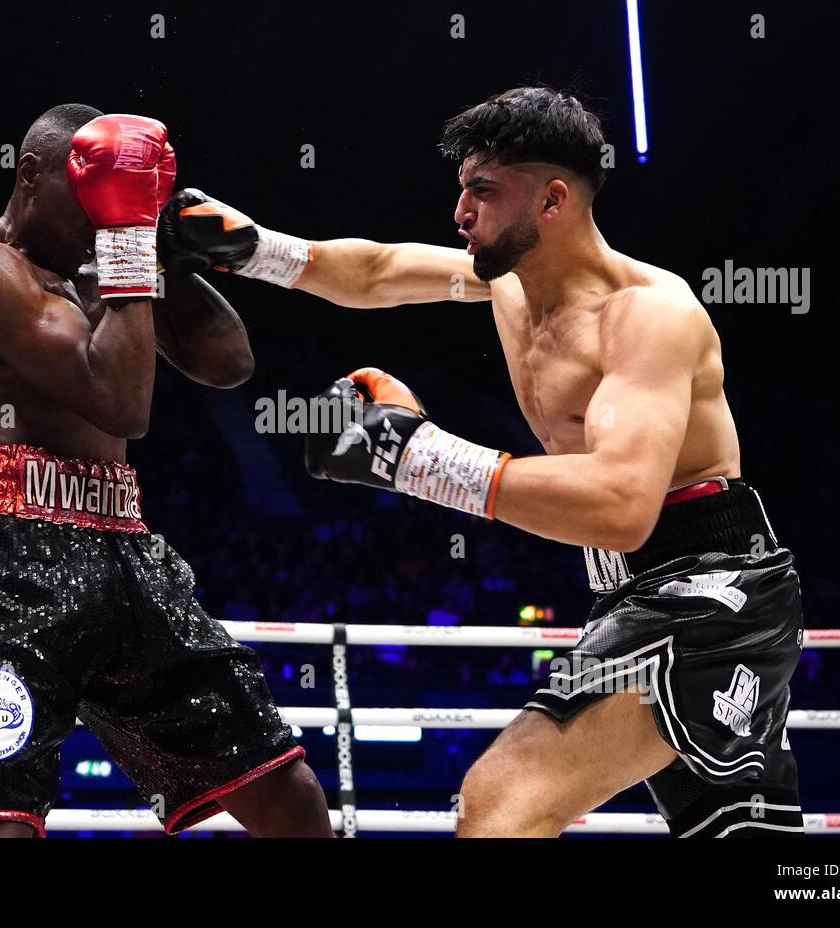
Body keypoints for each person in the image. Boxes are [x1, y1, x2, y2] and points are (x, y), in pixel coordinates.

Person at [157, 86, 804, 838]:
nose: (461, 212)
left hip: (708, 594)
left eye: (483, 192)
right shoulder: (509, 284)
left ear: (553, 200)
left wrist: (416, 460)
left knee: (499, 803)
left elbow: (624, 507)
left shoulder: (649, 315)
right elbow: (377, 272)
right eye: (462, 189)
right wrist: (256, 247)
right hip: (635, 593)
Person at [0, 104, 332, 838]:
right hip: (8, 546)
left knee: (282, 788)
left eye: (112, 199)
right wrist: (130, 246)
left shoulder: (106, 266)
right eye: (89, 195)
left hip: (125, 546)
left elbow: (230, 363)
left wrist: (161, 245)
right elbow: (119, 402)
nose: (99, 216)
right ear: (29, 175)